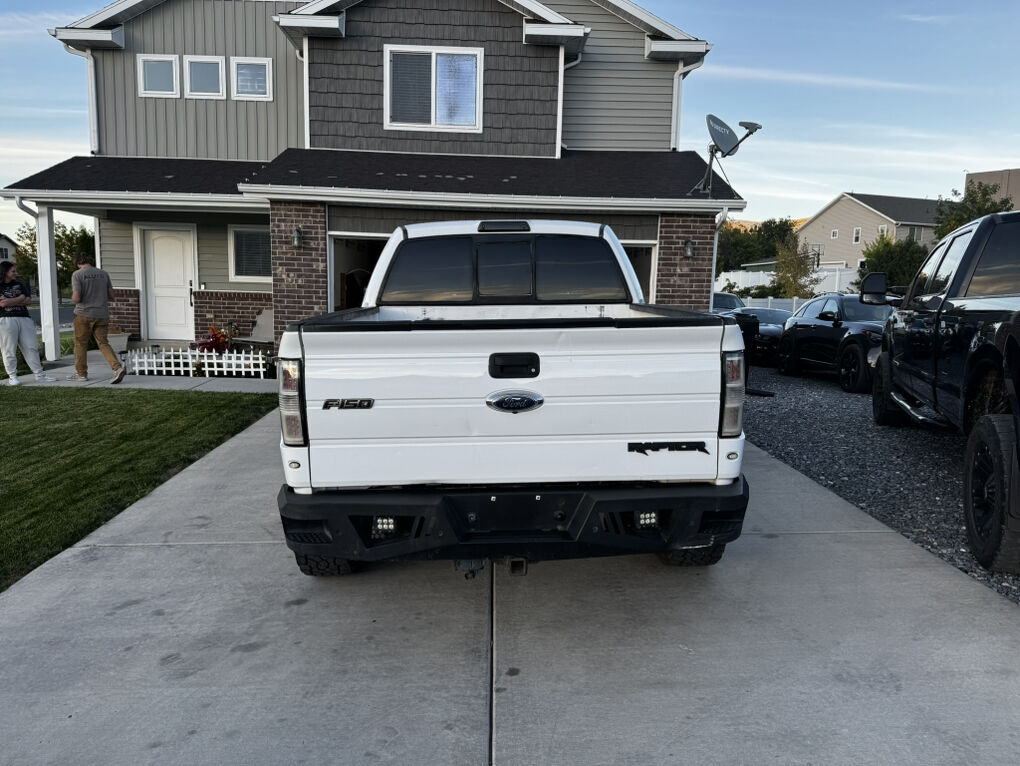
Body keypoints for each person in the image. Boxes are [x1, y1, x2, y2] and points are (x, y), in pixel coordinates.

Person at [69, 252, 126, 384]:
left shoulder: (77, 274)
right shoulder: (104, 274)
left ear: (78, 263)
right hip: (102, 314)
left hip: (83, 314)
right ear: (91, 262)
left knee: (81, 344)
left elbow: (76, 298)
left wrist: (74, 297)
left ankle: (81, 374)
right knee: (103, 343)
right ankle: (117, 368)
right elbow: (112, 296)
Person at [0, 261, 56, 386]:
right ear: (5, 272)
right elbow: (2, 304)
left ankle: (40, 375)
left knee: (31, 347)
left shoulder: (20, 284)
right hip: (5, 320)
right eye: (13, 271)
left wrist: (10, 300)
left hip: (24, 318)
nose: (16, 273)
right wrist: (20, 298)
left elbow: (29, 301)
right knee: (9, 349)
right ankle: (12, 376)